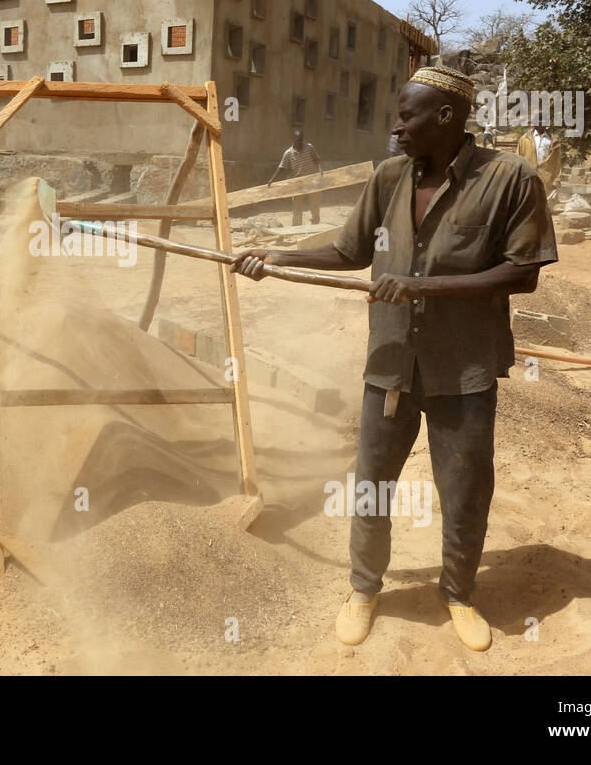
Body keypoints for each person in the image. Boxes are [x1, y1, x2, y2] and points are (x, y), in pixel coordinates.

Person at [231, 66, 558, 652]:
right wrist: (274, 254)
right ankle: (364, 589)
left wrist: (421, 287)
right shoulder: (388, 178)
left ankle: (458, 593)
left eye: (408, 116)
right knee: (372, 484)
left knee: (463, 488)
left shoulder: (510, 179)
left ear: (447, 118)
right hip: (390, 365)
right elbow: (349, 251)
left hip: (464, 368)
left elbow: (523, 274)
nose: (396, 127)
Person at [266, 129, 323, 223]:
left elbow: (317, 159)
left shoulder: (309, 147)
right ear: (293, 140)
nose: (300, 142)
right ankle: (297, 225)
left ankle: (316, 222)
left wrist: (320, 168)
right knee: (297, 205)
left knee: (315, 203)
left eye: (301, 140)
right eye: (297, 140)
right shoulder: (288, 153)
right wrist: (272, 180)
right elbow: (281, 168)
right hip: (298, 183)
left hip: (312, 180)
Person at [516, 119, 561, 196]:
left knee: (544, 200)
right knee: (528, 199)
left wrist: (557, 179)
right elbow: (518, 157)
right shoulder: (524, 139)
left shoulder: (553, 140)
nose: (543, 122)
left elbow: (557, 161)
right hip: (528, 175)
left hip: (546, 176)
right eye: (540, 120)